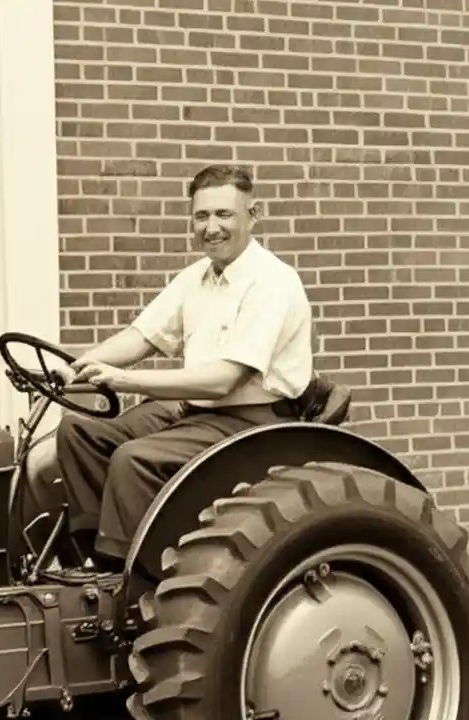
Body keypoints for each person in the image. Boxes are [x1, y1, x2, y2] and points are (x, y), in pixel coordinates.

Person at [49, 164, 315, 570]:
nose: (211, 227)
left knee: (133, 459)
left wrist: (124, 380)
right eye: (201, 216)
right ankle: (90, 557)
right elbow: (142, 337)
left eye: (224, 214)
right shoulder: (195, 278)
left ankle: (132, 579)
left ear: (252, 215)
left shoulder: (273, 282)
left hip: (251, 424)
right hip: (196, 414)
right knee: (78, 431)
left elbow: (224, 380)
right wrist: (80, 365)